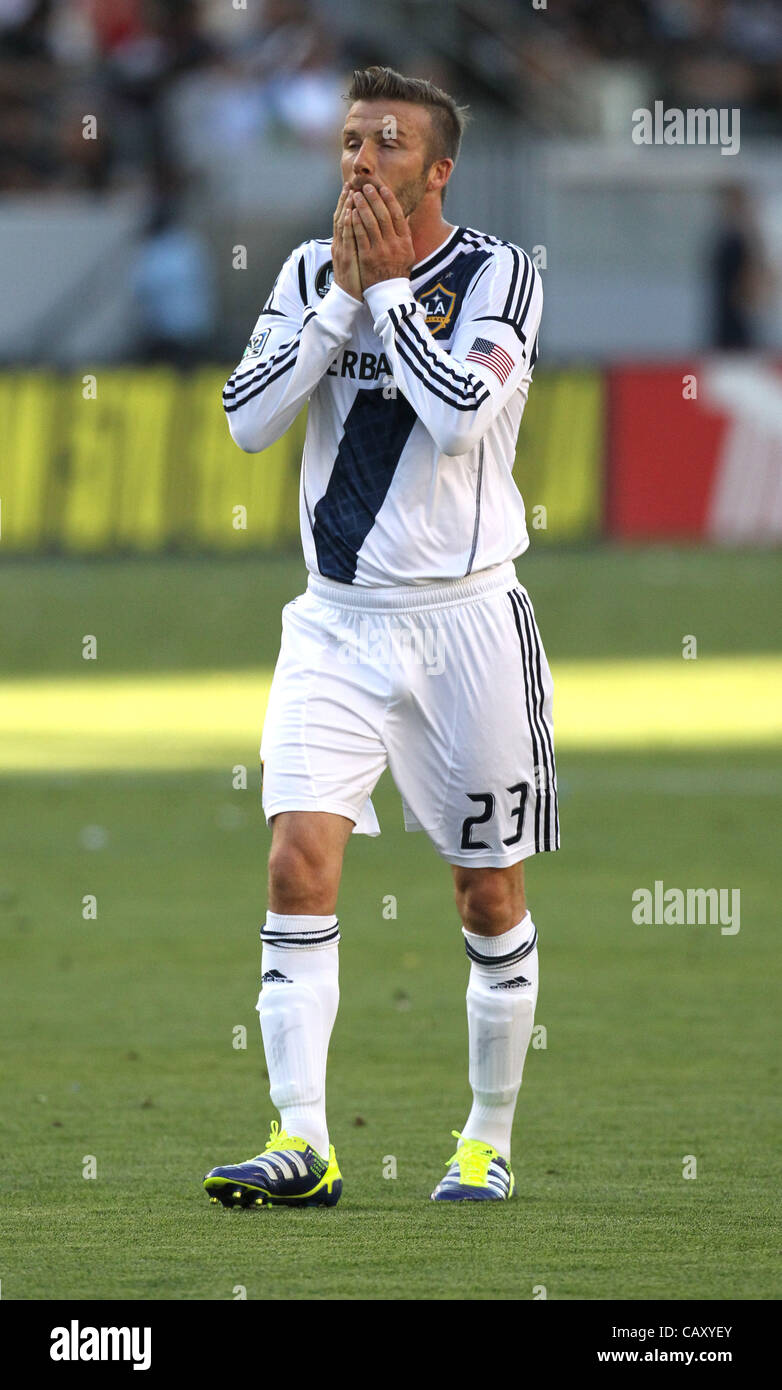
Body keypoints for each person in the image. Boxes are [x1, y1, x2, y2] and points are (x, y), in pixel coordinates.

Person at [203, 65, 558, 1208]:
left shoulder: (498, 273)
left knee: (484, 896)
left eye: (385, 145)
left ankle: (485, 1138)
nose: (358, 161)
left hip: (465, 628)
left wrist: (396, 293)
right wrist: (344, 304)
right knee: (296, 860)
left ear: (435, 170)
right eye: (349, 141)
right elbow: (249, 421)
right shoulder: (313, 273)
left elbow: (457, 419)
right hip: (335, 626)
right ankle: (301, 1140)